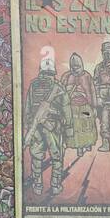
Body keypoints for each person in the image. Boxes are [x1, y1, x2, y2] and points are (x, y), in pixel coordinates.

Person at [24, 61, 71, 197]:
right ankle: (55, 185)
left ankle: (37, 185)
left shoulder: (33, 85)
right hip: (53, 128)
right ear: (54, 73)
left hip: (37, 127)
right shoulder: (59, 87)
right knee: (57, 157)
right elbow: (66, 108)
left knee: (36, 156)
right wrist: (68, 128)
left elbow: (28, 106)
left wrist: (28, 125)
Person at [60, 52, 96, 156]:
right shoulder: (66, 76)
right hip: (72, 108)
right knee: (75, 127)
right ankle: (79, 147)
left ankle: (88, 143)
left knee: (88, 124)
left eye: (77, 66)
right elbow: (61, 92)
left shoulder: (87, 76)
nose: (75, 68)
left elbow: (92, 91)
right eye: (73, 66)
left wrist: (94, 107)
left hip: (85, 107)